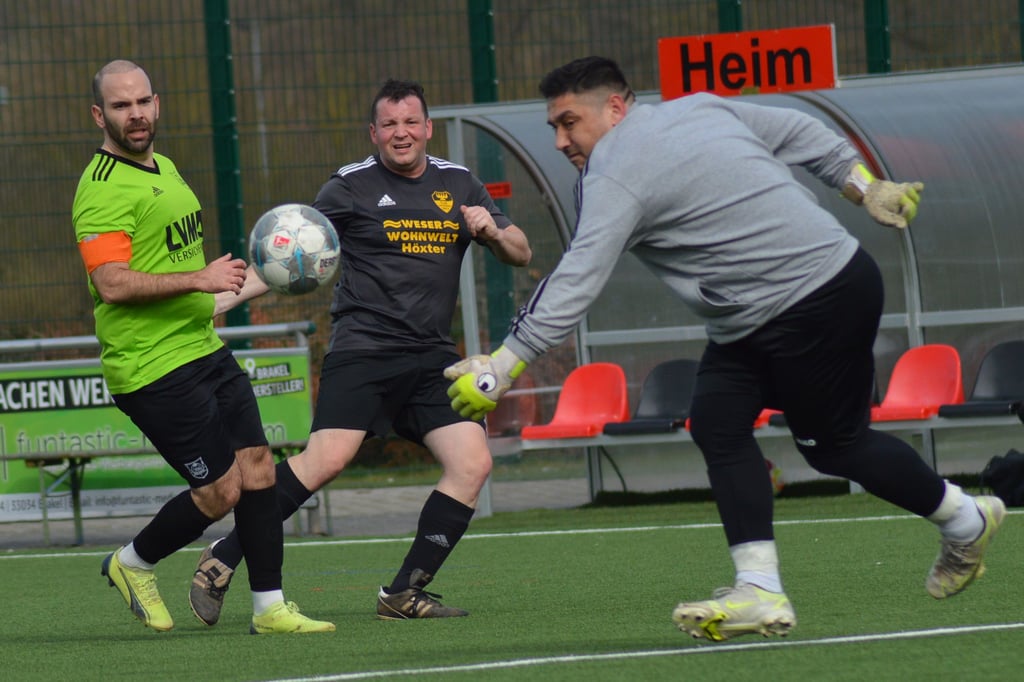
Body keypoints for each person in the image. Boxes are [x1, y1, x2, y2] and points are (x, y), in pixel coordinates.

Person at [444, 56, 1006, 641]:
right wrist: (865, 187)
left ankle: (965, 520)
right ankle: (761, 589)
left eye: (569, 122)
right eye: (553, 128)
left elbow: (579, 275)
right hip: (784, 306)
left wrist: (503, 365)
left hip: (810, 298)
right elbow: (801, 131)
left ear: (615, 108)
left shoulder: (614, 170)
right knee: (717, 421)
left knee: (836, 447)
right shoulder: (701, 107)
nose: (561, 141)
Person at [190, 78, 532, 623]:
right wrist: (217, 303)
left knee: (472, 464)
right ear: (374, 132)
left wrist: (490, 229)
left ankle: (403, 593)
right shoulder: (348, 187)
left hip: (431, 358)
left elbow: (521, 251)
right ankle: (221, 557)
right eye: (390, 124)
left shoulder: (461, 184)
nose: (402, 133)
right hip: (364, 350)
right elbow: (291, 257)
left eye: (410, 122)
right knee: (326, 461)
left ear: (428, 128)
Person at [72, 60, 334, 635]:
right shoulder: (100, 191)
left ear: (157, 103)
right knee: (219, 492)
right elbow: (111, 282)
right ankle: (132, 563)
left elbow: (177, 266)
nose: (135, 114)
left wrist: (241, 281)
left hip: (201, 347)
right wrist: (199, 280)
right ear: (99, 115)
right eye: (120, 106)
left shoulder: (162, 167)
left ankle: (270, 608)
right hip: (151, 367)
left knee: (259, 467)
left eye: (143, 101)